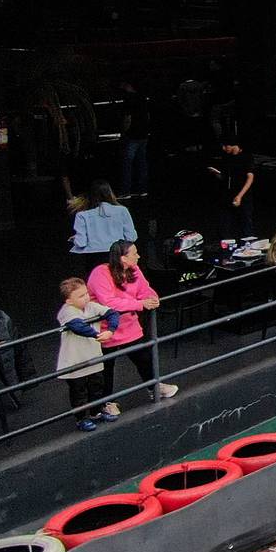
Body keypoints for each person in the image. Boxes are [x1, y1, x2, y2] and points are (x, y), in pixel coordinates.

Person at [87, 240, 177, 403]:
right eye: (134, 253)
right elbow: (109, 302)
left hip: (129, 326)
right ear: (123, 258)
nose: (138, 256)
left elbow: (144, 289)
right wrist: (139, 304)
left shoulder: (134, 270)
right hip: (106, 330)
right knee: (105, 368)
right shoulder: (100, 273)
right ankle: (105, 403)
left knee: (144, 358)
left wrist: (152, 298)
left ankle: (154, 388)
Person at [56, 277, 119, 431]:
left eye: (86, 294)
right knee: (79, 392)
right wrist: (97, 335)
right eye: (81, 296)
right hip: (75, 361)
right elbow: (77, 326)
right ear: (68, 301)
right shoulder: (66, 311)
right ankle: (81, 419)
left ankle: (96, 412)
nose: (86, 298)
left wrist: (110, 330)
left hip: (93, 357)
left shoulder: (91, 306)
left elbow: (112, 313)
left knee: (97, 387)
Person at [68, 180, 138, 269]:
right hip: (117, 255)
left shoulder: (82, 215)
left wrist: (75, 239)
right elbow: (131, 237)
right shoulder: (122, 211)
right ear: (110, 193)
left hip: (93, 259)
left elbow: (81, 243)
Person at [208, 138, 256, 240]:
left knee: (245, 224)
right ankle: (226, 246)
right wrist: (217, 173)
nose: (224, 148)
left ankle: (248, 247)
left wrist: (239, 196)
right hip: (228, 195)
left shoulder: (246, 157)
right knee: (224, 224)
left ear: (233, 145)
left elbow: (250, 178)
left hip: (243, 197)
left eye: (225, 146)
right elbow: (225, 177)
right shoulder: (227, 158)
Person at [118, 81, 151, 197]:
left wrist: (123, 133)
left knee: (127, 163)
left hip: (132, 135)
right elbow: (147, 116)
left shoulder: (128, 99)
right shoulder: (142, 98)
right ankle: (143, 189)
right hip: (143, 134)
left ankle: (125, 191)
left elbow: (128, 119)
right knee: (142, 162)